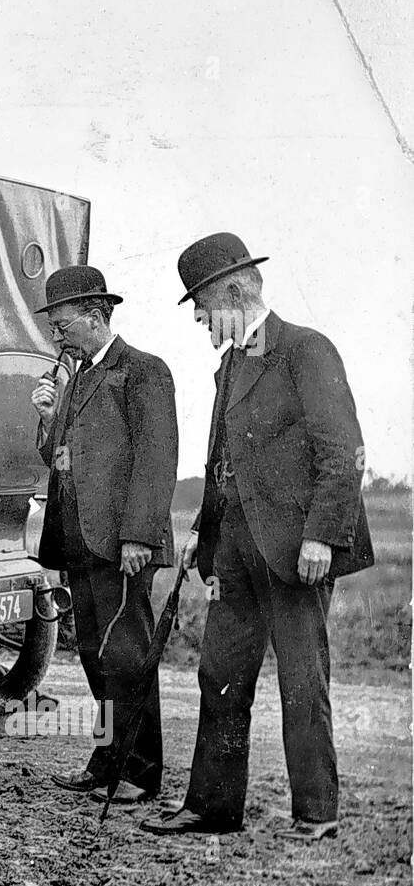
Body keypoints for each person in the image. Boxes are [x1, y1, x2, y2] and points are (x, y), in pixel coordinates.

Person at [142, 233, 373, 841]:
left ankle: (315, 812)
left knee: (302, 678)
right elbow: (222, 460)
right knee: (219, 674)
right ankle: (212, 807)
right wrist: (198, 532)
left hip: (297, 552)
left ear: (236, 292)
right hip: (233, 554)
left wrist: (323, 536)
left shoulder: (305, 350)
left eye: (201, 303)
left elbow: (342, 450)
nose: (197, 317)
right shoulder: (229, 364)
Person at [30, 265, 178, 805]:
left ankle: (139, 773)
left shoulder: (144, 371)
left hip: (121, 547)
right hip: (79, 543)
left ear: (95, 316)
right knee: (96, 656)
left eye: (62, 324)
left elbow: (157, 460)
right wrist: (48, 418)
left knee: (128, 655)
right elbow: (57, 459)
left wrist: (138, 536)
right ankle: (109, 759)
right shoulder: (80, 378)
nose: (56, 335)